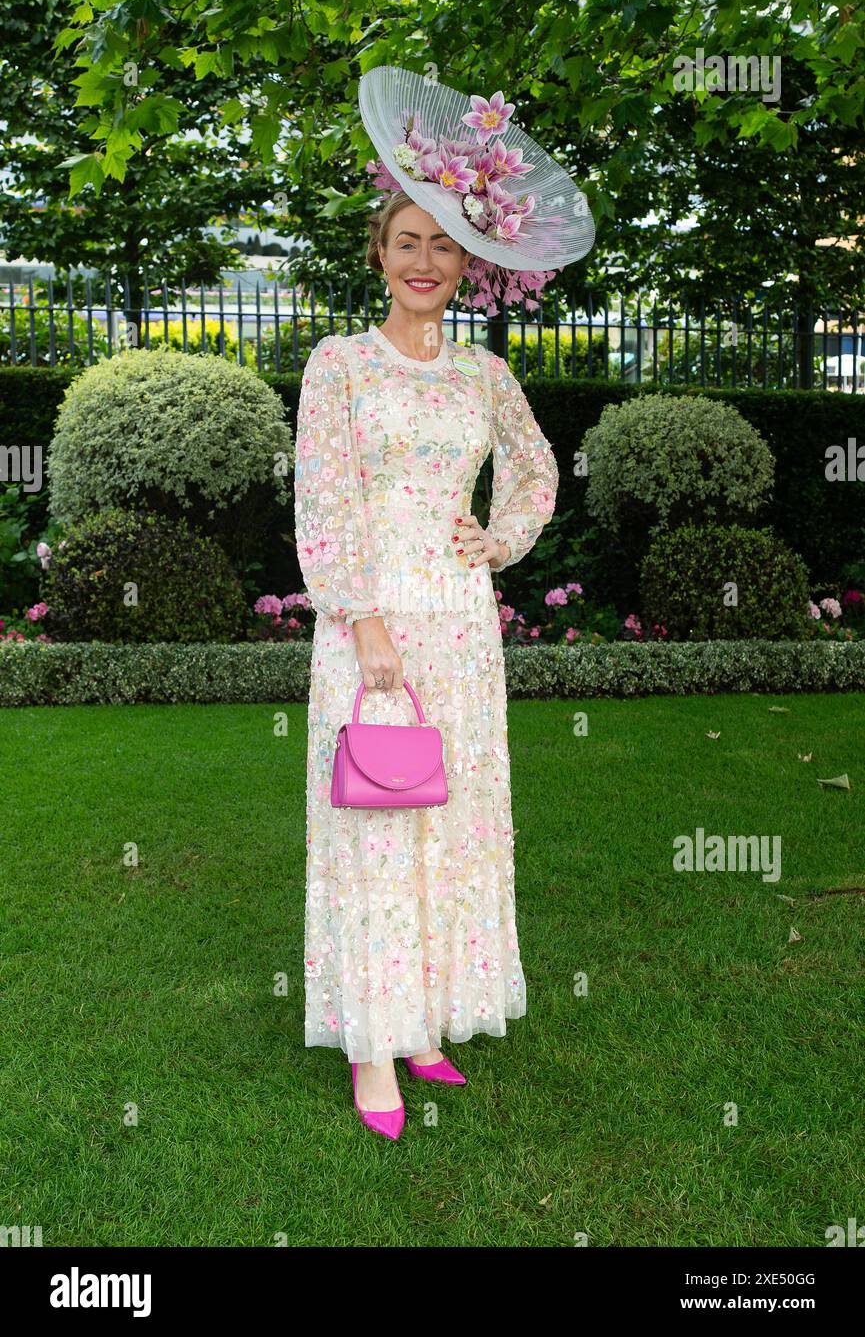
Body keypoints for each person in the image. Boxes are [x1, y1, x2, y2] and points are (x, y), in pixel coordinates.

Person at [294, 68, 592, 1138]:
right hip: (371, 627)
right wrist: (363, 620)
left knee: (449, 821)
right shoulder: (338, 367)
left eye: (443, 245)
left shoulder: (483, 377)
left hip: (461, 623)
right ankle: (374, 1044)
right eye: (406, 241)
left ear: (471, 263)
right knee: (374, 820)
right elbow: (323, 501)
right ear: (379, 253)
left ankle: (426, 1020)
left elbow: (536, 471)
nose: (424, 262)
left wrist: (499, 538)